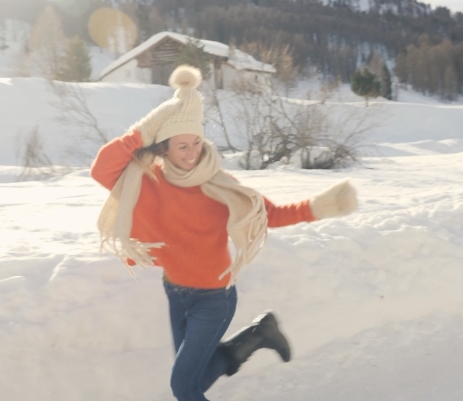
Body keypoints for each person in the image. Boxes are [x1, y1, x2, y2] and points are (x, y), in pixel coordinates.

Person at [90, 65, 358, 400]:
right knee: (196, 382)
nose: (192, 154)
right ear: (163, 148)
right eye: (182, 146)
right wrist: (145, 129)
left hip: (213, 298)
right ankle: (258, 336)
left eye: (197, 143)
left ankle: (257, 335)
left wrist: (320, 206)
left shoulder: (219, 186)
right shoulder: (145, 180)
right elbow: (102, 167)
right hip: (175, 292)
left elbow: (269, 215)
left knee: (183, 387)